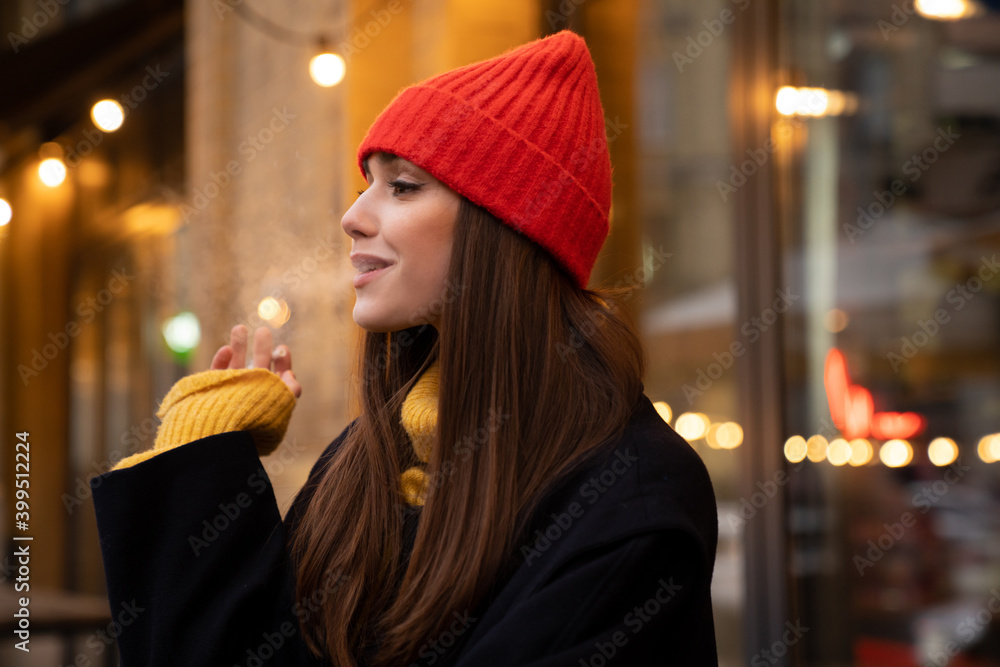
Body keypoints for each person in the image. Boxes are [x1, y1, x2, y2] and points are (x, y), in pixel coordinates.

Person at [90, 29, 719, 666]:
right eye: (367, 183)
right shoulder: (366, 456)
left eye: (404, 186)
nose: (352, 216)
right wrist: (204, 458)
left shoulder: (630, 492)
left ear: (506, 228)